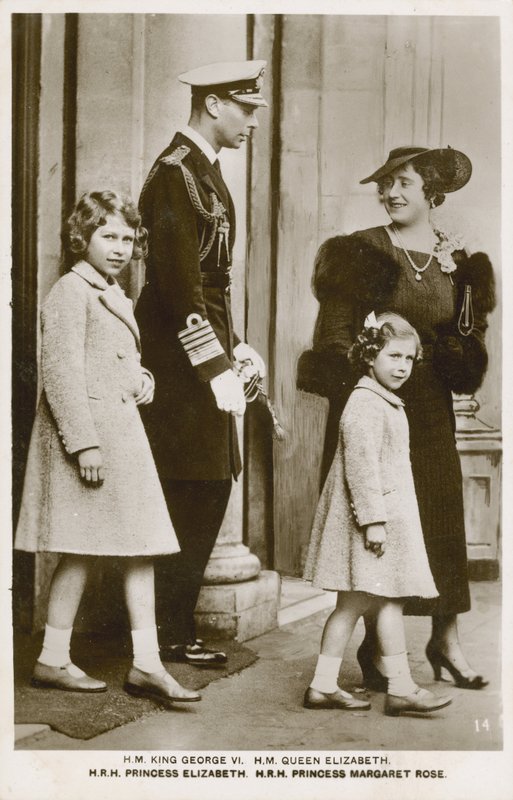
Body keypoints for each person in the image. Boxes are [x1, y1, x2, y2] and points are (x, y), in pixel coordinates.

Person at [298, 146, 495, 691]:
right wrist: (365, 392)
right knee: (377, 522)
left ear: (432, 191)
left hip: (432, 411)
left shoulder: (457, 262)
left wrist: (458, 351)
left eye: (403, 182)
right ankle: (374, 648)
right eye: (385, 184)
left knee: (438, 519)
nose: (391, 193)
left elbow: (469, 339)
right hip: (376, 407)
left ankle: (445, 640)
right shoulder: (362, 251)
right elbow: (334, 336)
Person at [15, 191, 200, 705]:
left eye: (126, 238)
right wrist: (84, 445)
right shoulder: (71, 292)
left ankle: (142, 662)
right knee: (84, 551)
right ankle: (62, 658)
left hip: (119, 433)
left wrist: (142, 378)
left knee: (132, 548)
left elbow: (113, 357)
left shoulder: (112, 291)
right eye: (107, 236)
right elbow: (60, 376)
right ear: (83, 239)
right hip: (93, 440)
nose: (120, 247)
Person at [134, 61, 267, 666]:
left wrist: (234, 345)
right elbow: (179, 287)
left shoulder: (202, 173)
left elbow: (216, 282)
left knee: (209, 482)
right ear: (214, 104)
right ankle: (166, 632)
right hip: (179, 358)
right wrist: (213, 367)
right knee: (192, 484)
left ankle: (172, 626)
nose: (253, 122)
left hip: (205, 347)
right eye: (246, 108)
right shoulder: (176, 174)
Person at [303, 312, 452, 716]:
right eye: (393, 356)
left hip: (379, 522)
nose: (402, 366)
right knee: (365, 603)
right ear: (370, 356)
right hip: (367, 525)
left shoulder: (383, 400)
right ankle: (385, 687)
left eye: (409, 358)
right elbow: (361, 467)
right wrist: (373, 521)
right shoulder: (365, 402)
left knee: (373, 603)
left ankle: (339, 685)